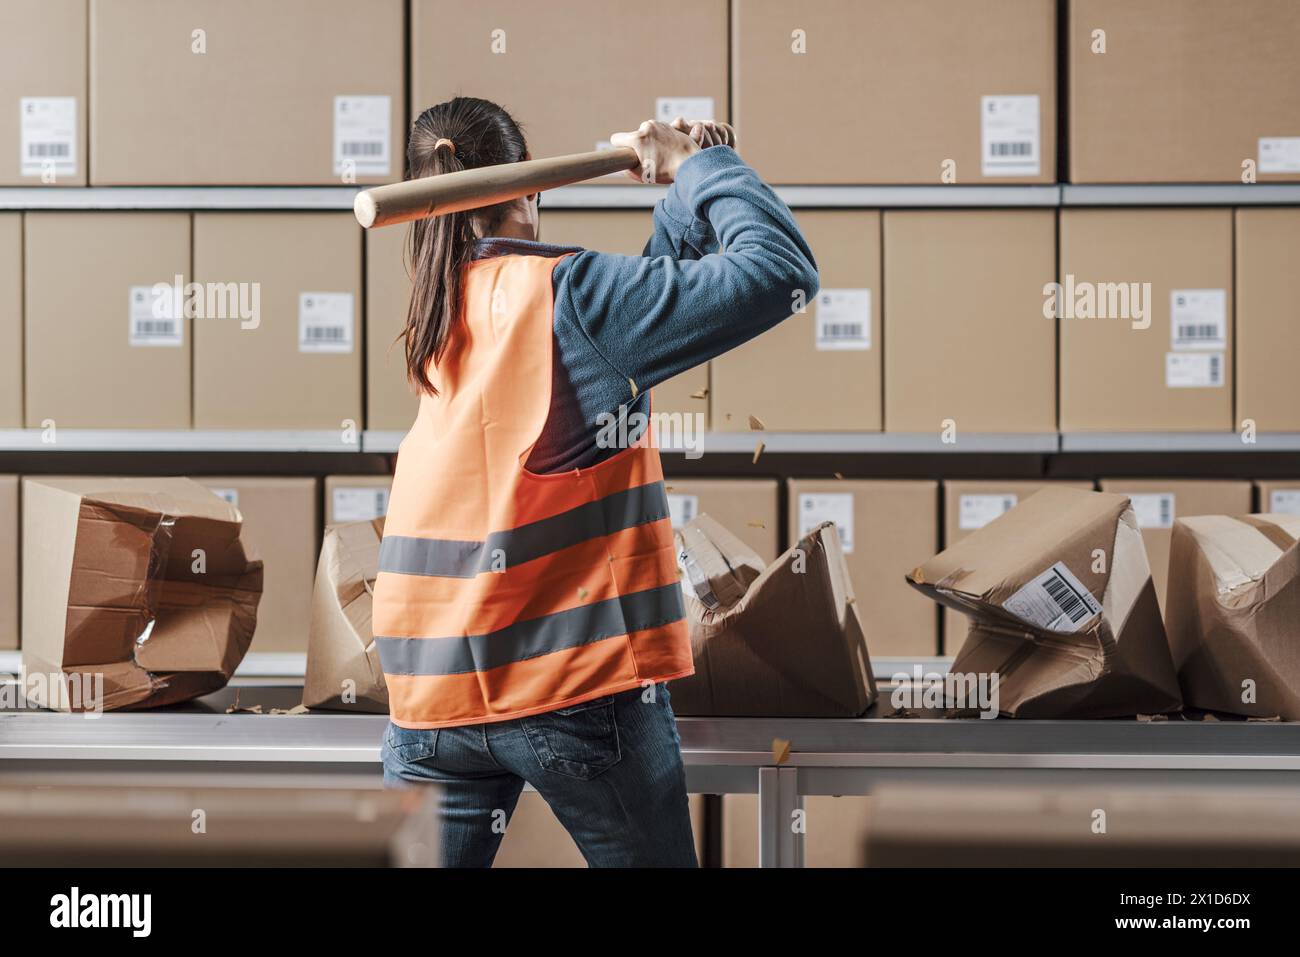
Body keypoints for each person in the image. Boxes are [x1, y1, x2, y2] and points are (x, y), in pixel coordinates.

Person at [374, 96, 817, 867]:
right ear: (530, 191)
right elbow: (782, 271)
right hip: (568, 689)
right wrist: (704, 169)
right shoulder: (568, 295)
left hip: (428, 700)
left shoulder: (438, 306)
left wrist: (687, 191)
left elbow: (639, 321)